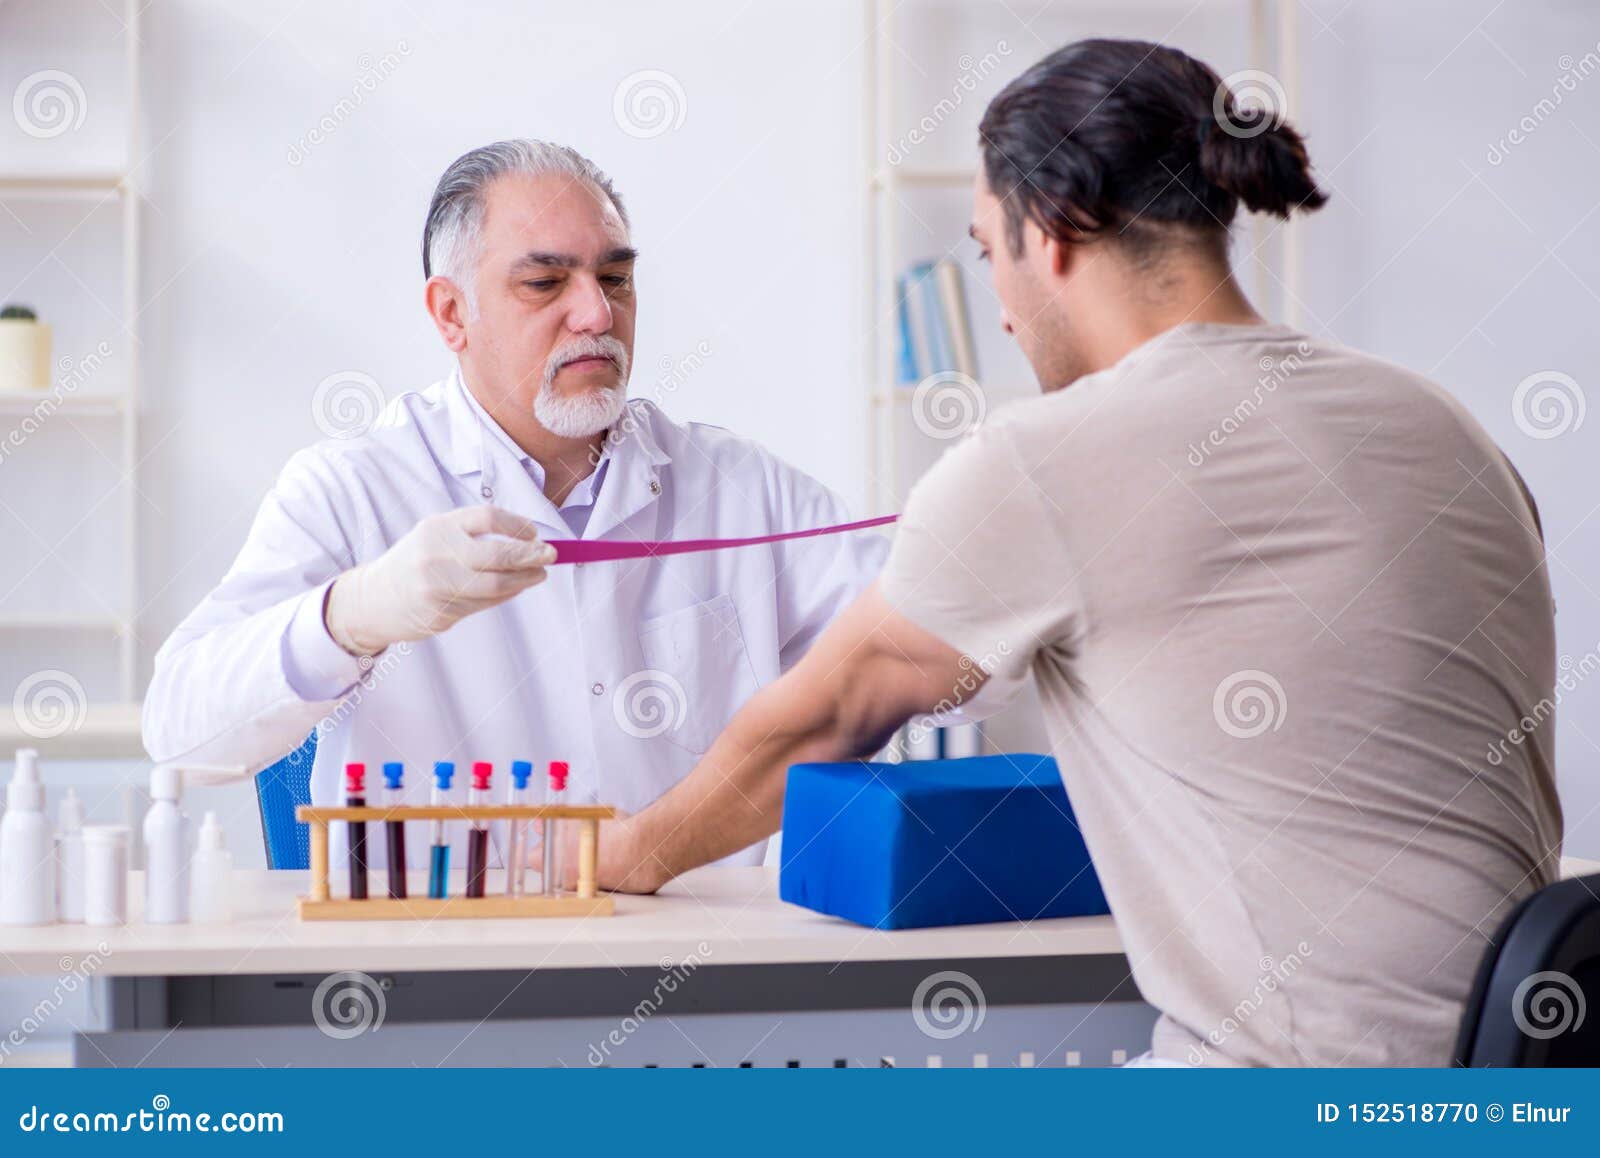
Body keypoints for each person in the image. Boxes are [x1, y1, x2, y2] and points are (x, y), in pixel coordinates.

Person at [589, 39, 1564, 1066]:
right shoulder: (1439, 421)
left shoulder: (1046, 457)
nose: (1000, 312)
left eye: (985, 252)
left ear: (1048, 229)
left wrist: (620, 853)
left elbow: (820, 718)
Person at [142, 139, 886, 868]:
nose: (597, 313)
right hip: (438, 967)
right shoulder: (352, 489)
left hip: (690, 957)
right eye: (545, 284)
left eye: (616, 278)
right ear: (451, 314)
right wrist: (356, 612)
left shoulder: (736, 486)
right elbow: (182, 735)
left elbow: (945, 650)